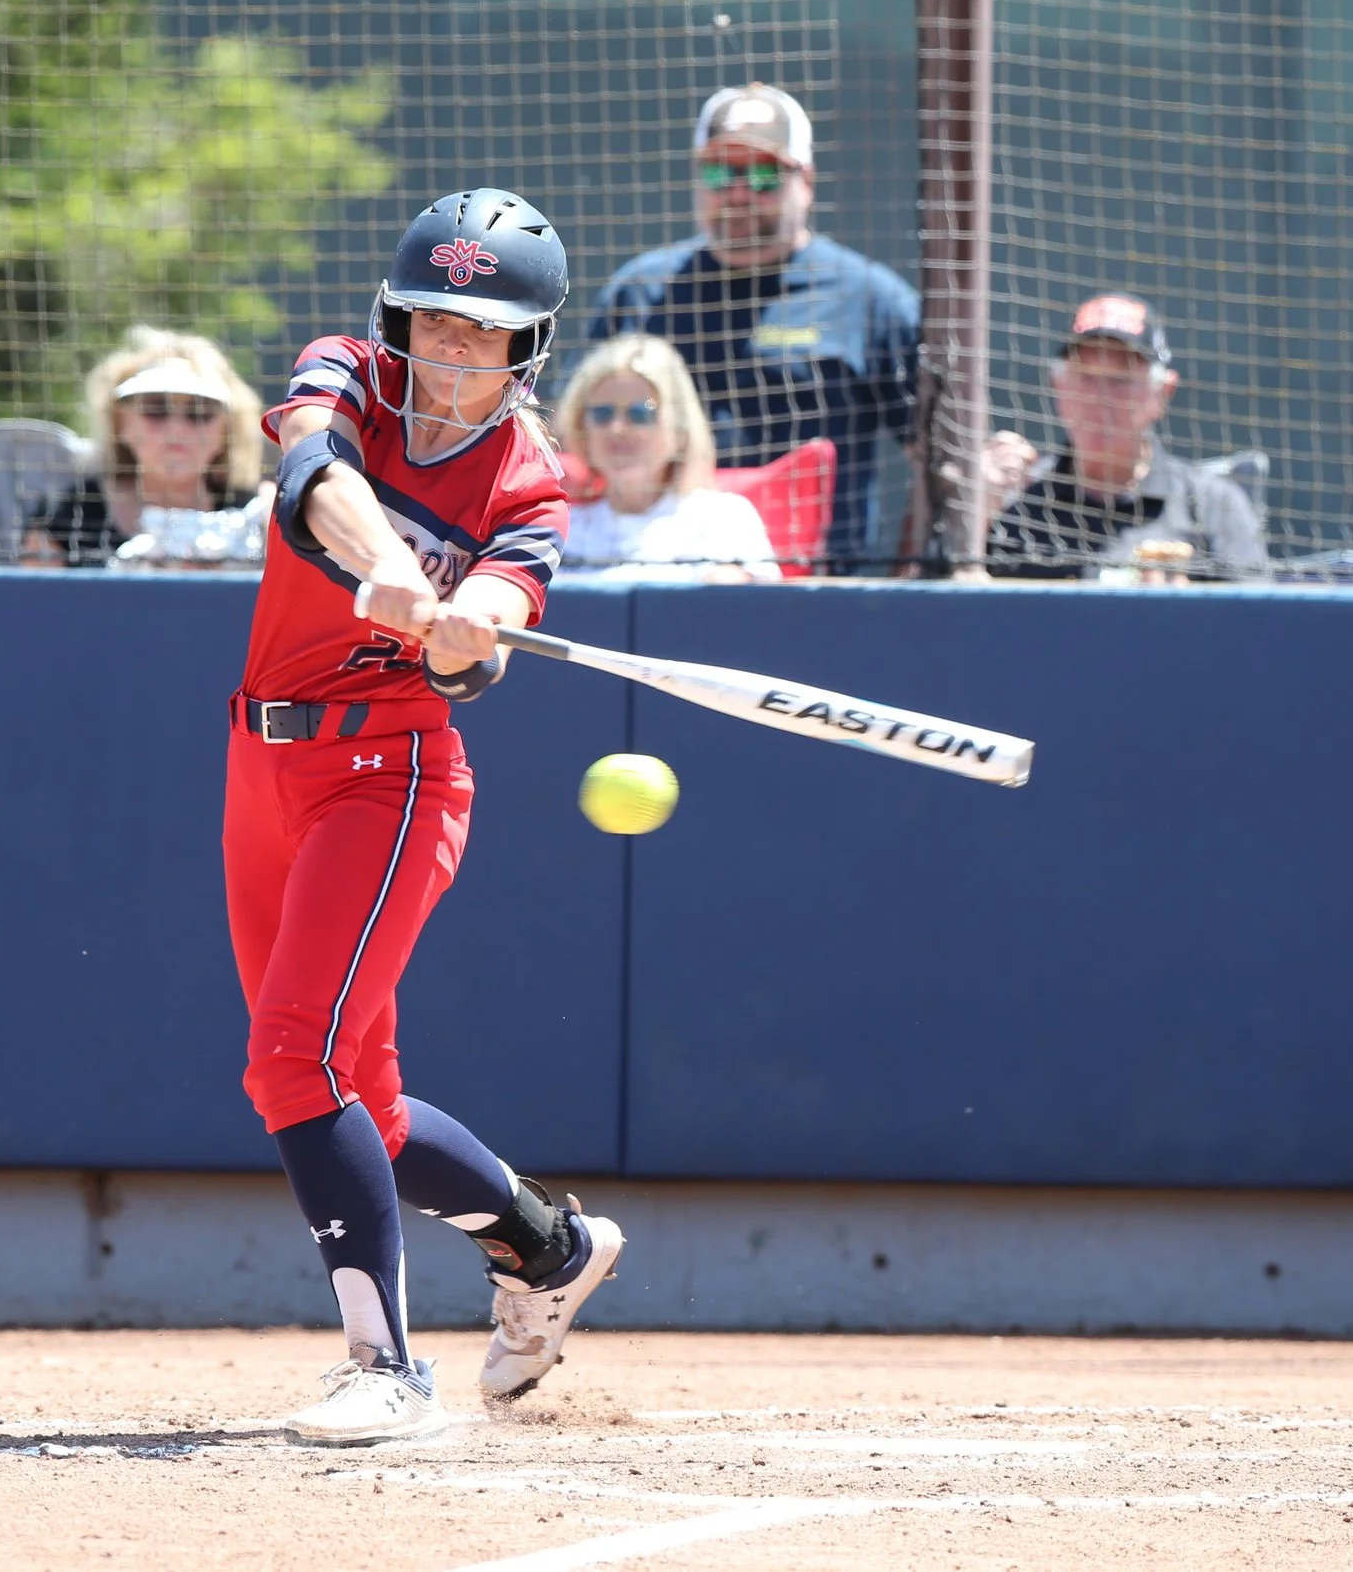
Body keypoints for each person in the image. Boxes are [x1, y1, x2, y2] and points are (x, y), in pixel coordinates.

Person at [228, 189, 625, 1446]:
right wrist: (386, 566)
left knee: (294, 1061)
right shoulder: (342, 373)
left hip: (390, 778)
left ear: (526, 350)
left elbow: (489, 638)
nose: (455, 356)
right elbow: (310, 474)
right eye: (435, 325)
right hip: (262, 763)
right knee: (359, 1102)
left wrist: (470, 633)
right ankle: (550, 1247)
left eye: (485, 334)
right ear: (395, 323)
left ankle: (382, 1366)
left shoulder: (531, 484)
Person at [583, 83, 919, 573]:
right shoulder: (639, 294)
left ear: (805, 179)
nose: (738, 192)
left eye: (762, 174)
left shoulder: (868, 298)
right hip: (661, 576)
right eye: (720, 173)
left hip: (819, 592)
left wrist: (905, 580)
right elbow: (575, 440)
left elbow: (934, 459)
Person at [983, 293, 1268, 581]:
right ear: (1058, 385)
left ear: (1163, 393)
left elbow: (1259, 621)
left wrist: (1185, 613)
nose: (1099, 398)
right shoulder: (1011, 502)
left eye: (1121, 379)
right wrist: (974, 512)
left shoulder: (1214, 506)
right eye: (1085, 377)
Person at [33, 327, 268, 566]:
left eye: (200, 413)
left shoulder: (264, 513)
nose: (177, 430)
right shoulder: (68, 512)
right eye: (156, 410)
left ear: (227, 429)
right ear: (119, 421)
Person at [556, 333, 780, 581]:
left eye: (641, 413)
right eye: (602, 414)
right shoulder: (561, 526)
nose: (617, 428)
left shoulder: (724, 519)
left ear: (680, 427)